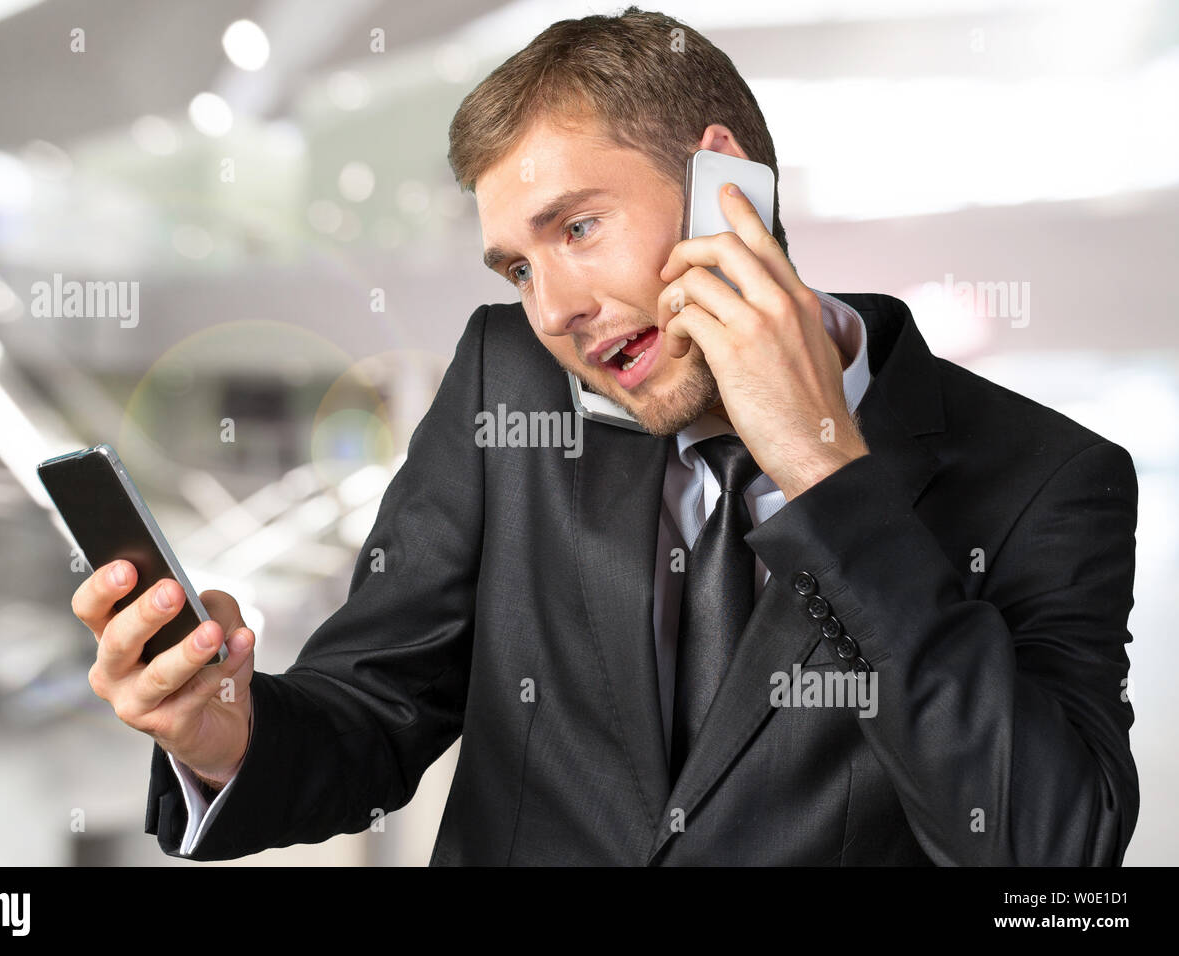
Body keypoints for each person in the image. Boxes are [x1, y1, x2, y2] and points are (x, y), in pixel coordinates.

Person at [72, 7, 1139, 865]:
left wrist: (820, 468)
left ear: (729, 188)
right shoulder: (507, 379)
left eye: (576, 228)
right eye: (519, 267)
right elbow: (377, 702)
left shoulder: (1046, 479)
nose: (554, 310)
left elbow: (1047, 845)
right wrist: (225, 738)